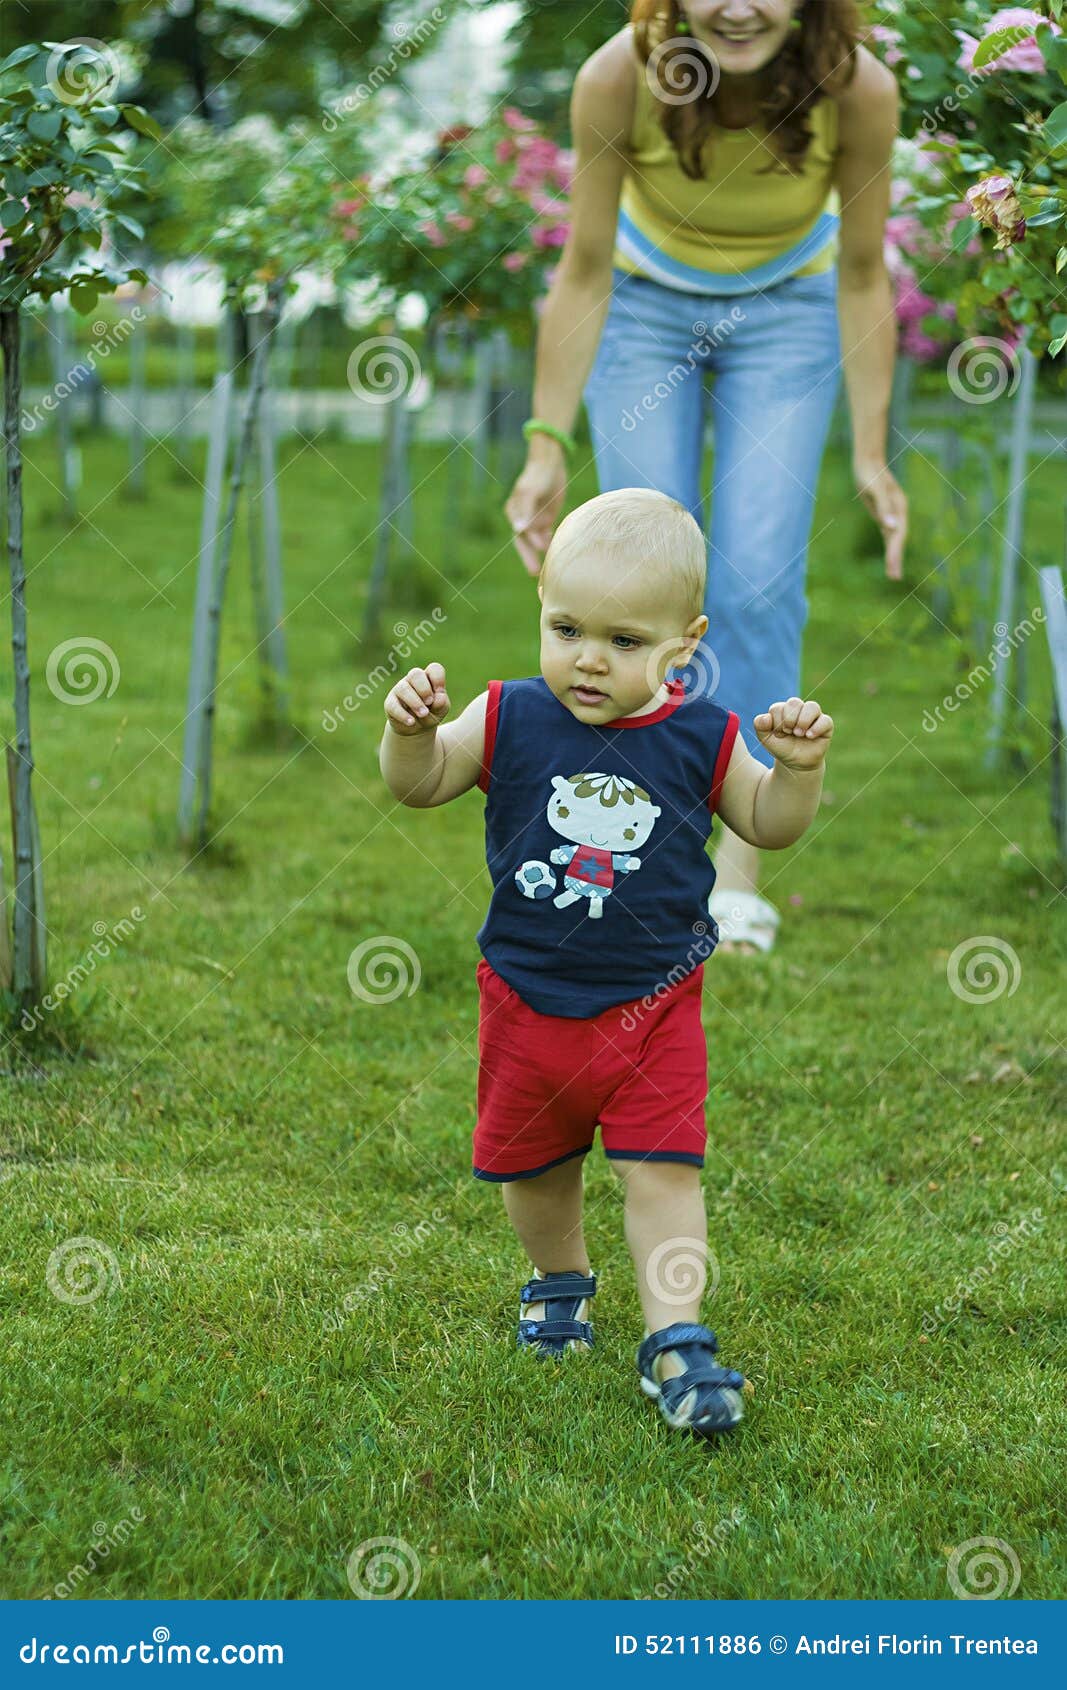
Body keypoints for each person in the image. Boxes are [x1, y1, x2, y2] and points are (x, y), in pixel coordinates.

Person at [378, 488, 835, 1439]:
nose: (588, 658)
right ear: (539, 602)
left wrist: (795, 772)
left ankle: (678, 1341)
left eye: (625, 641)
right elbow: (418, 786)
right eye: (565, 627)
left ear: (684, 642)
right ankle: (558, 1279)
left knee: (663, 1174)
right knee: (535, 1172)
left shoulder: (704, 737)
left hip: (655, 1007)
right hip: (527, 1003)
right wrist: (410, 732)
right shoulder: (506, 715)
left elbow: (766, 826)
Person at [505, 0, 906, 957]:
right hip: (641, 310)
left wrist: (868, 448)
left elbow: (860, 271)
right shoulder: (618, 76)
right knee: (644, 582)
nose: (737, 5)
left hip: (788, 311)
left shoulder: (857, 87)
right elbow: (586, 265)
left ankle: (736, 870)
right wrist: (543, 442)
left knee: (757, 579)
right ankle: (644, 840)